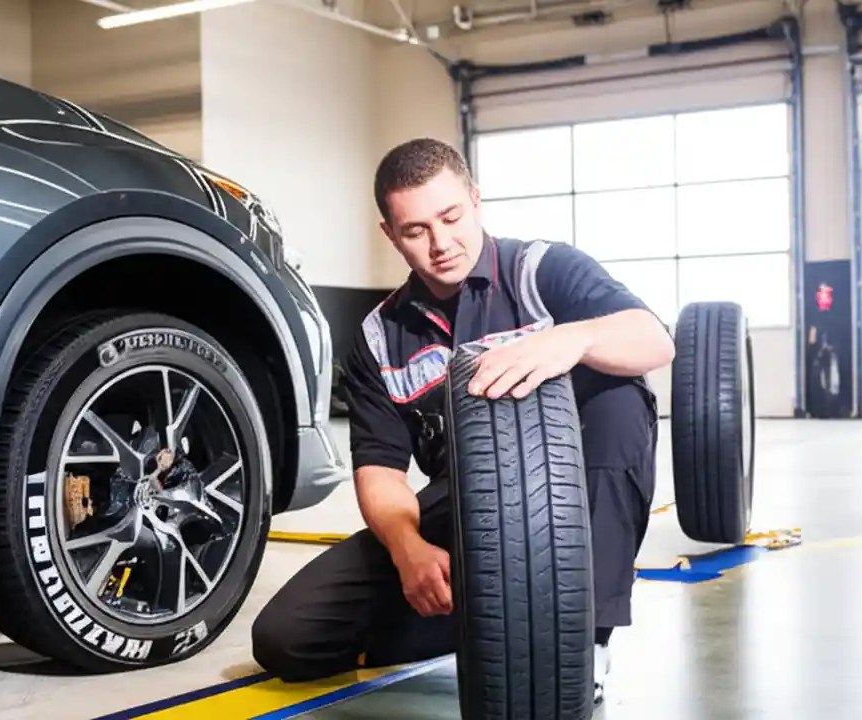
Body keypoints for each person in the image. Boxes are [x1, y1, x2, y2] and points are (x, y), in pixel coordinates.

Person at [250, 138, 675, 705]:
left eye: (451, 217)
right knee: (289, 638)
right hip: (466, 503)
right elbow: (379, 470)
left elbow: (654, 340)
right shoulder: (380, 336)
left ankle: (583, 643)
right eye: (415, 231)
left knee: (619, 399)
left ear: (475, 201)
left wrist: (572, 339)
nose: (441, 243)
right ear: (390, 234)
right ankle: (500, 620)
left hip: (566, 493)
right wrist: (408, 551)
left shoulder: (540, 270)